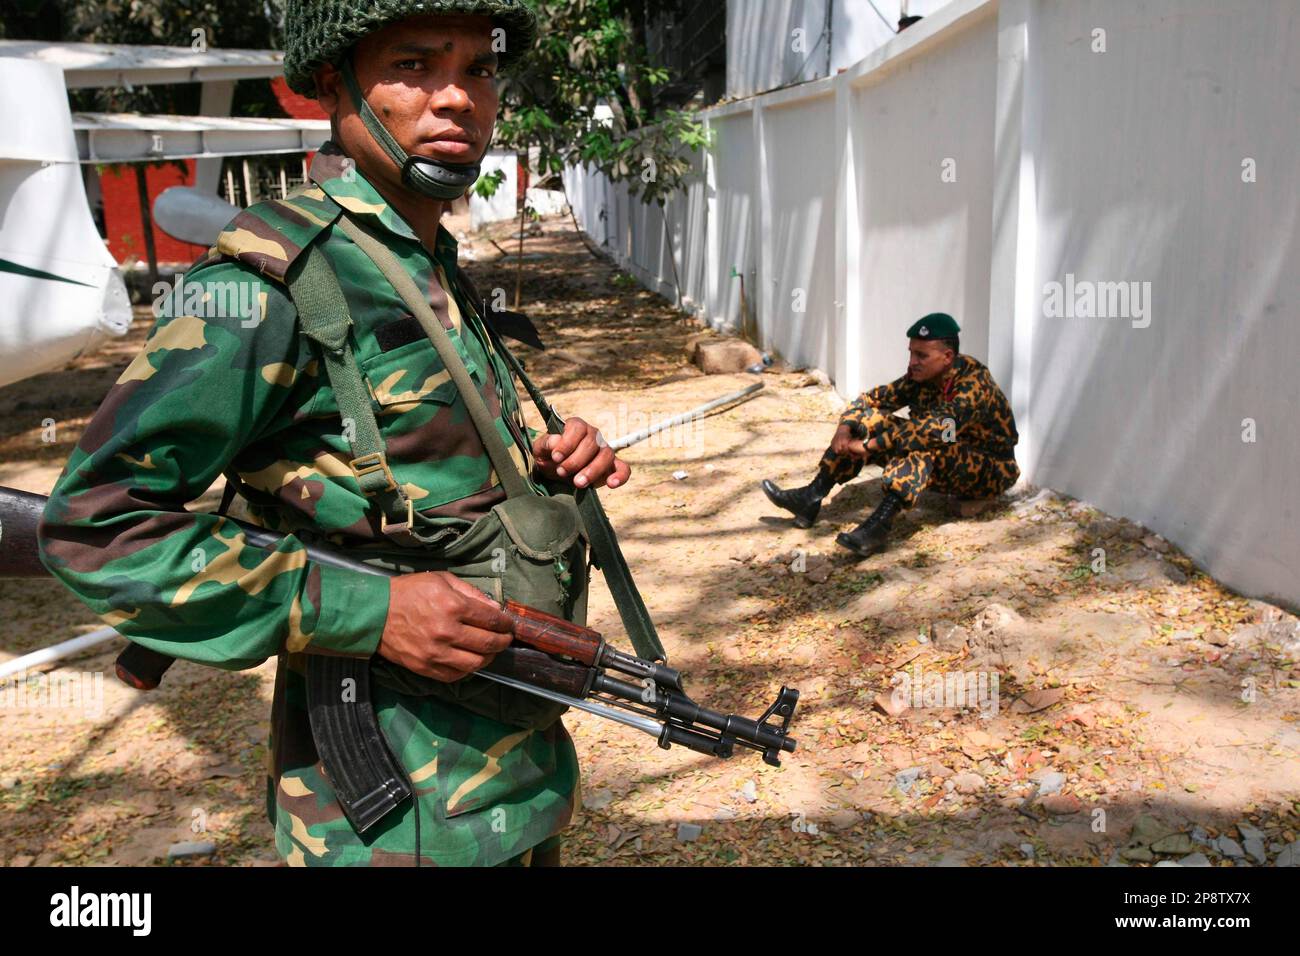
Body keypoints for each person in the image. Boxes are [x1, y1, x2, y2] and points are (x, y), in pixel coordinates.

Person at [38, 0, 628, 867]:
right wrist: (370, 609)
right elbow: (99, 523)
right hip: (390, 811)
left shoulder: (425, 258)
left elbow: (417, 465)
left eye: (478, 69)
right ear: (330, 85)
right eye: (415, 66)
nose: (457, 97)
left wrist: (542, 465)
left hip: (511, 771)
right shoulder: (272, 279)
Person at [761, 313, 1019, 557]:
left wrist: (869, 446)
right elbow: (871, 398)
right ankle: (811, 496)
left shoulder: (973, 384)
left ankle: (878, 527)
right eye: (911, 354)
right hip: (950, 457)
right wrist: (845, 428)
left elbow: (932, 431)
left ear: (947, 356)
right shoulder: (921, 376)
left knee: (925, 442)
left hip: (991, 469)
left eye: (921, 355)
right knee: (868, 419)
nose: (912, 362)